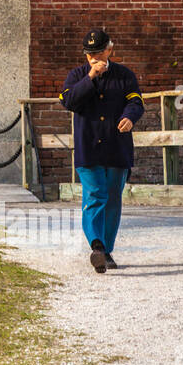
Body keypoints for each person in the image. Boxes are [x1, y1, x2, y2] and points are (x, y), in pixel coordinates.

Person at [59, 28, 144, 273]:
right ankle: (97, 246)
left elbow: (135, 101)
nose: (94, 58)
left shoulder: (124, 75)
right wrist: (91, 77)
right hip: (89, 147)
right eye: (90, 55)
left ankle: (106, 250)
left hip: (117, 146)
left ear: (110, 49)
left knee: (113, 199)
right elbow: (69, 101)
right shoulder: (76, 76)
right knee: (95, 195)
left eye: (99, 52)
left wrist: (130, 117)